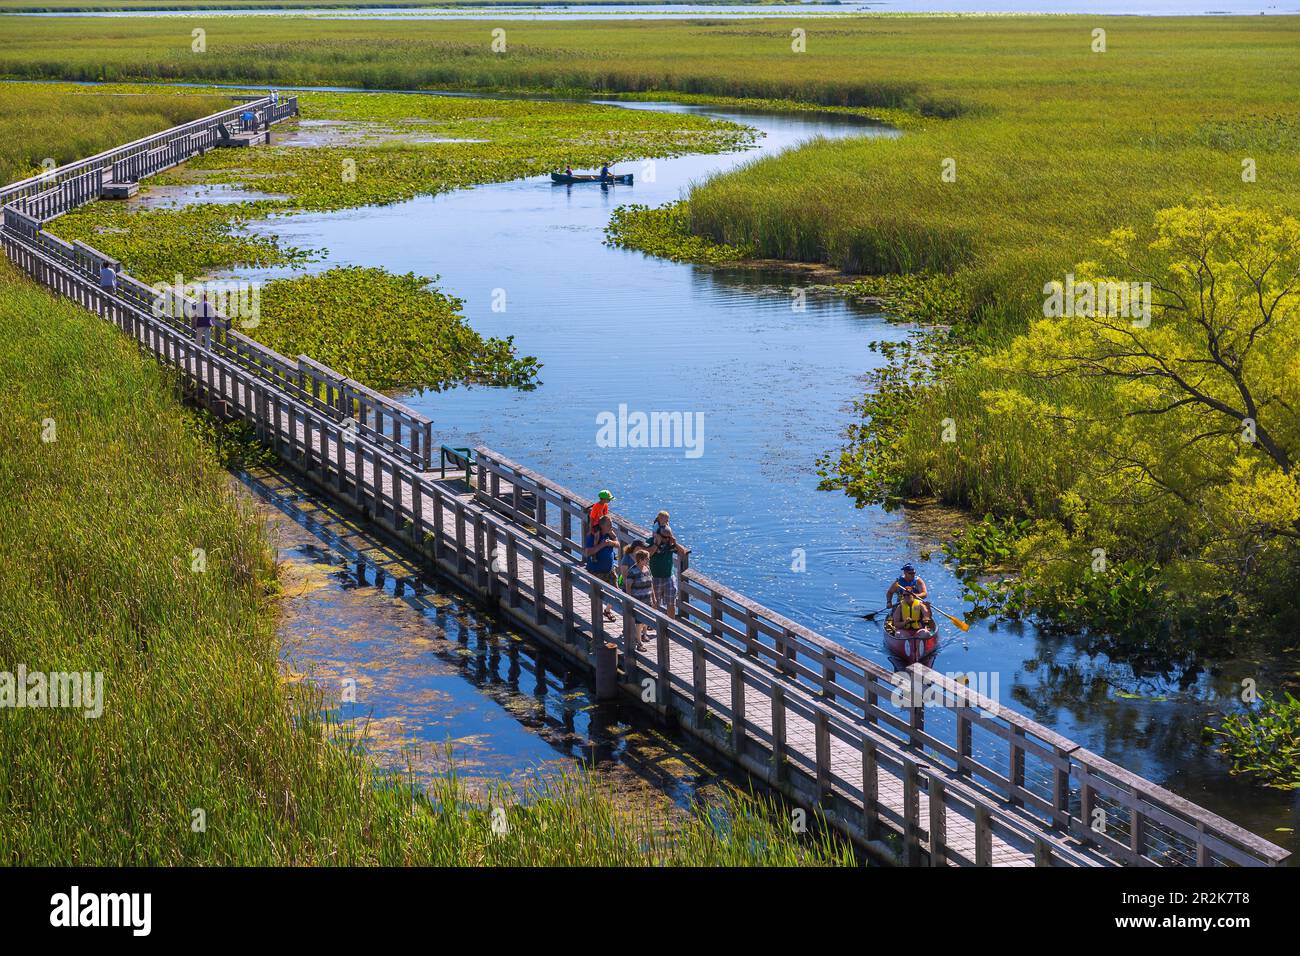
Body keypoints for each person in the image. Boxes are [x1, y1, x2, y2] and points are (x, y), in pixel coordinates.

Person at [647, 523, 688, 619]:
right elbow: (648, 554)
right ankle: (652, 623)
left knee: (671, 603)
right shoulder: (651, 542)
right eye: (664, 537)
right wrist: (657, 543)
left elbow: (683, 553)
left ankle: (671, 625)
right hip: (655, 577)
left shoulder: (670, 544)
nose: (666, 539)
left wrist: (675, 543)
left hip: (669, 577)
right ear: (658, 535)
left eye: (668, 537)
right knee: (654, 602)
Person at [583, 515, 619, 621]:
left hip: (610, 570)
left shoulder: (610, 534)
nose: (611, 526)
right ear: (602, 526)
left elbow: (618, 544)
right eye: (609, 524)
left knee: (616, 594)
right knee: (597, 595)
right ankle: (596, 617)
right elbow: (587, 552)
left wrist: (611, 543)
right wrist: (602, 545)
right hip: (596, 571)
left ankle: (607, 610)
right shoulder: (593, 536)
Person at [622, 544, 654, 650]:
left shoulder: (647, 569)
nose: (648, 561)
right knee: (639, 622)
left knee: (646, 620)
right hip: (638, 600)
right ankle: (639, 642)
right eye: (646, 559)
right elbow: (628, 586)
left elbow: (651, 584)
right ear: (640, 560)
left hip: (647, 599)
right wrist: (630, 599)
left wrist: (653, 598)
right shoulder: (633, 571)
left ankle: (643, 635)